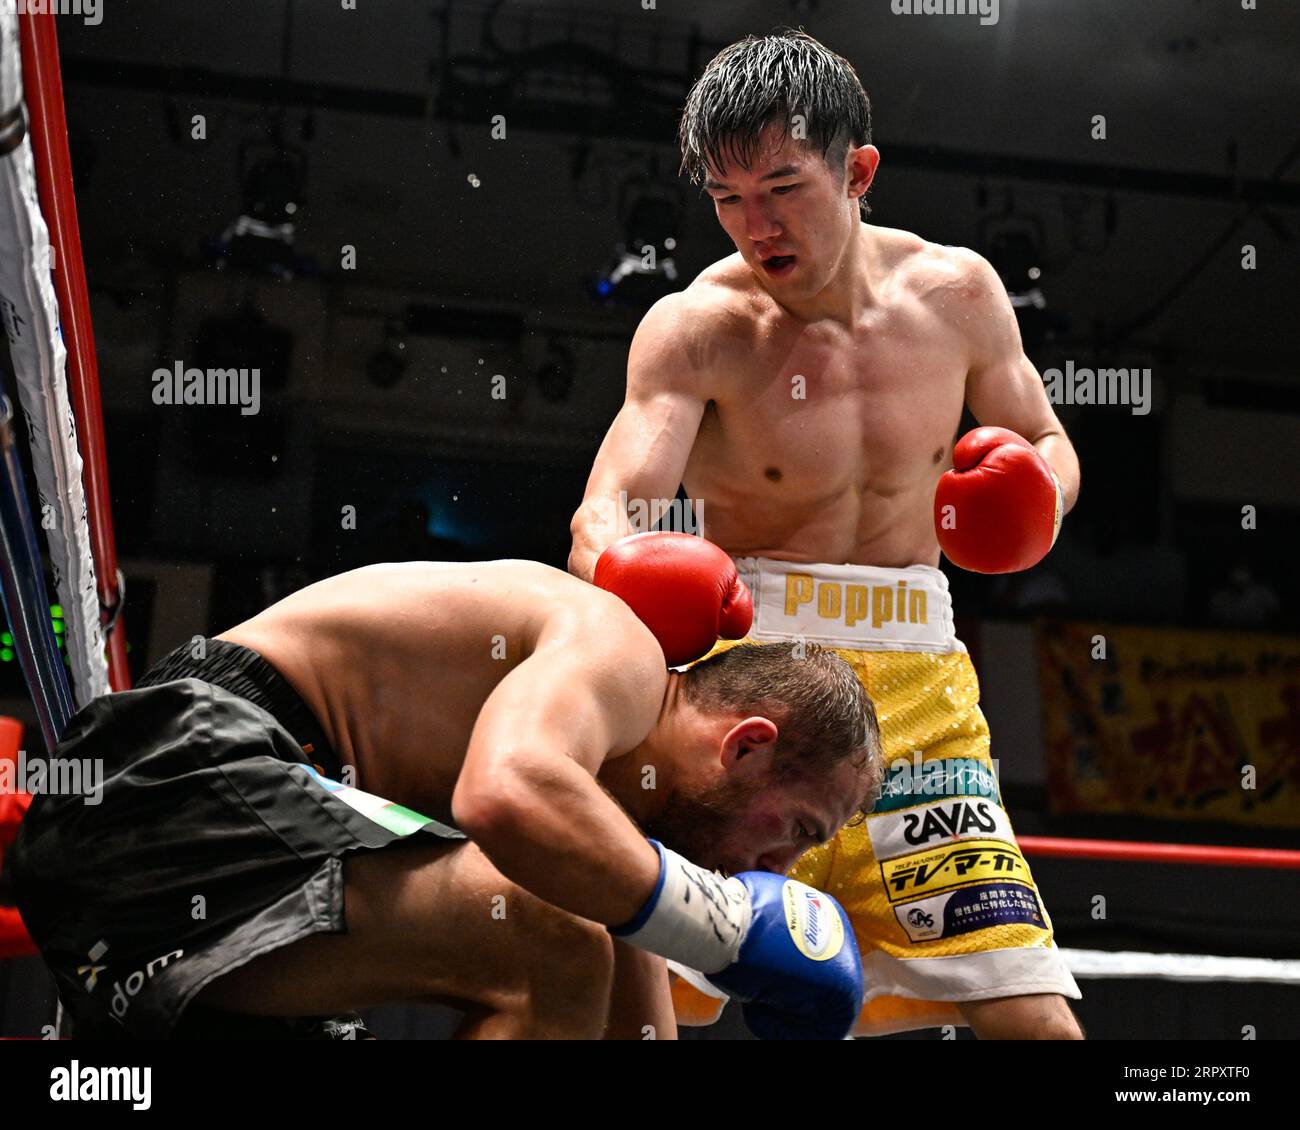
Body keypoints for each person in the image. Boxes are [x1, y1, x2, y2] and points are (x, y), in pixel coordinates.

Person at [570, 30, 1083, 1039]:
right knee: (632, 998)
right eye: (724, 198)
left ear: (857, 171)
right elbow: (604, 510)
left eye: (780, 187)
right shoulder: (695, 327)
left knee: (1031, 1016)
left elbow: (1047, 441)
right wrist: (625, 575)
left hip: (920, 697)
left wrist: (1036, 497)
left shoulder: (959, 294)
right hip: (747, 681)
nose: (753, 224)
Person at [11, 555, 879, 1039]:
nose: (782, 869)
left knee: (581, 931)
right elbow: (504, 794)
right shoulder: (621, 654)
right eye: (799, 829)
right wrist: (725, 928)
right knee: (556, 934)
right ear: (747, 745)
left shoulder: (611, 824)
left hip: (200, 894)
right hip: (169, 788)